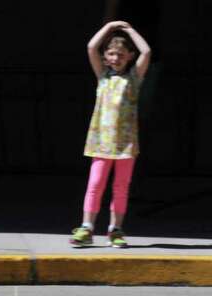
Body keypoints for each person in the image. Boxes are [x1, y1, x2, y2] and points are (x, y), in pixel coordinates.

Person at [71, 20, 152, 249]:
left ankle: (115, 229)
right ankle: (87, 227)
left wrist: (128, 30)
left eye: (121, 54)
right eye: (111, 54)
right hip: (101, 142)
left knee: (121, 186)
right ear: (106, 57)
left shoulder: (133, 79)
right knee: (95, 184)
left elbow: (146, 51)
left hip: (125, 144)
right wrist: (109, 27)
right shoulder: (103, 76)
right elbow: (90, 47)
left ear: (128, 57)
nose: (115, 58)